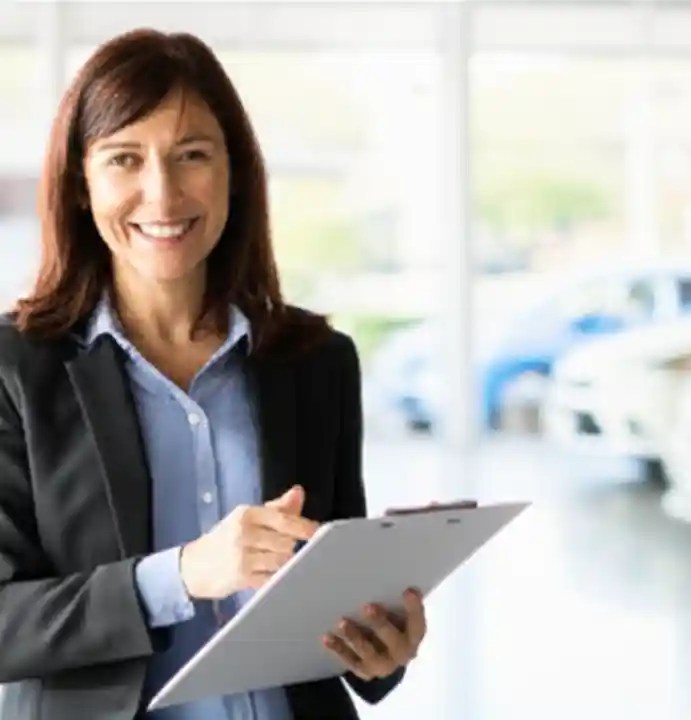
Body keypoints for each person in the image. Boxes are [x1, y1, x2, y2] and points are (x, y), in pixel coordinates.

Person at [0, 28, 425, 719]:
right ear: (81, 184)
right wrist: (181, 576)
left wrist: (381, 647)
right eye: (124, 159)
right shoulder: (16, 369)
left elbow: (331, 592)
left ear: (234, 172)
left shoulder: (315, 362)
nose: (161, 194)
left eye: (192, 155)